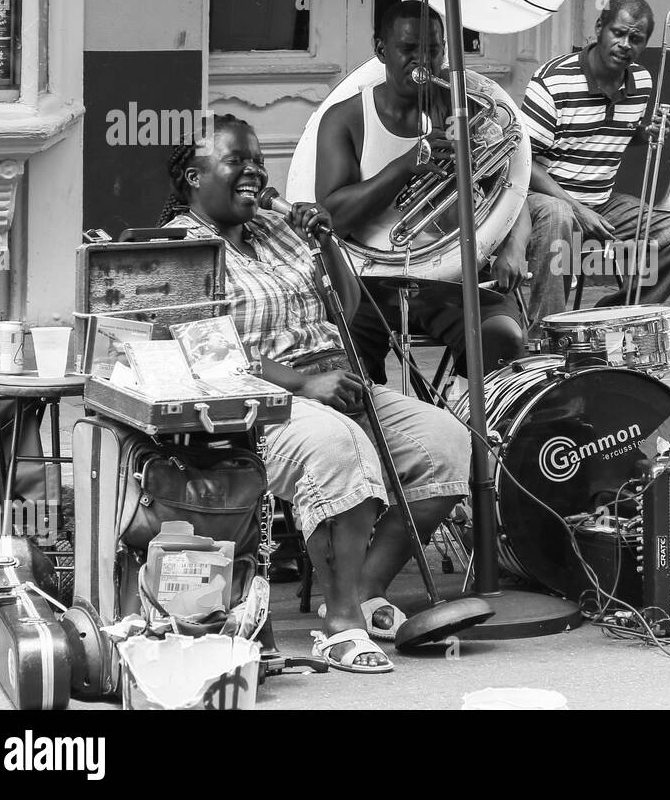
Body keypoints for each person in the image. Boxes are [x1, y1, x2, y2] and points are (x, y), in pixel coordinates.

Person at [159, 114, 472, 674]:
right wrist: (304, 384)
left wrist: (326, 242)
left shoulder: (276, 231)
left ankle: (362, 594)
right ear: (193, 176)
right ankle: (340, 628)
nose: (253, 171)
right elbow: (205, 353)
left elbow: (344, 310)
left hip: (339, 379)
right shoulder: (179, 248)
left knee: (444, 443)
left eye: (258, 160)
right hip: (261, 401)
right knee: (336, 447)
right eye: (236, 161)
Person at [314, 0, 528, 381]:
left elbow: (510, 191)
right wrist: (404, 167)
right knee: (347, 360)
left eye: (434, 50)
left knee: (504, 338)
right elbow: (334, 218)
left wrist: (513, 247)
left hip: (455, 278)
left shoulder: (468, 111)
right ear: (381, 50)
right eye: (409, 50)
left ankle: (473, 429)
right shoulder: (346, 118)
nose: (423, 63)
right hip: (369, 281)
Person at [521, 0, 670, 331]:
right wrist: (576, 208)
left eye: (636, 39)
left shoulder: (642, 83)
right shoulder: (553, 80)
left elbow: (606, 130)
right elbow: (523, 163)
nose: (624, 44)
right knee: (559, 215)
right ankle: (548, 335)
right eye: (617, 33)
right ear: (599, 28)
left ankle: (612, 319)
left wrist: (642, 134)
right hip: (544, 204)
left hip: (603, 205)